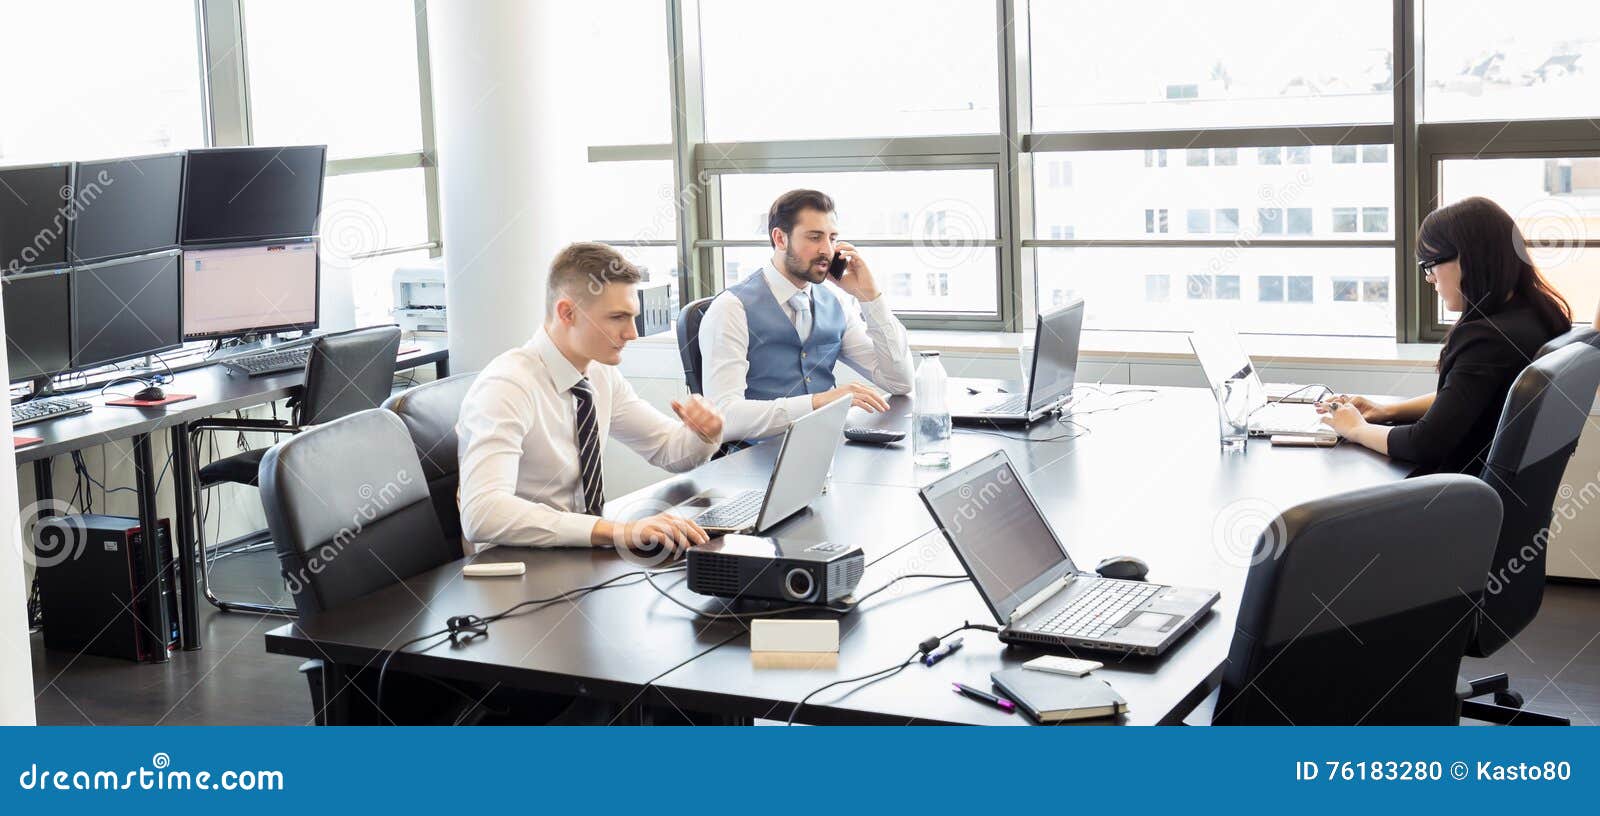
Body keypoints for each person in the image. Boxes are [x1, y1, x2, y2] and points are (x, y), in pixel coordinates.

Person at [457, 242, 724, 556]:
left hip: (577, 553)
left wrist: (705, 435)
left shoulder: (598, 374)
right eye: (617, 318)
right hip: (517, 565)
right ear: (567, 313)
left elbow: (669, 450)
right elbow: (482, 513)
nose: (632, 333)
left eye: (632, 317)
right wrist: (615, 531)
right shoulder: (507, 386)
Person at [1318, 197, 1570, 474]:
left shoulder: (1487, 338)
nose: (1429, 278)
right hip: (1496, 500)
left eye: (1430, 263)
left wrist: (1357, 429)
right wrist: (1387, 411)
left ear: (1470, 258)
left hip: (1459, 496)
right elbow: (1466, 398)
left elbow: (1425, 444)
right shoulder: (1537, 316)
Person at [698, 189, 915, 442]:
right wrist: (818, 403)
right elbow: (724, 416)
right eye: (815, 237)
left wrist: (870, 297)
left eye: (833, 238)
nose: (827, 250)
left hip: (828, 450)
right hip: (755, 461)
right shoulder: (731, 308)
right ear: (780, 239)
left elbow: (900, 383)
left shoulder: (837, 303)